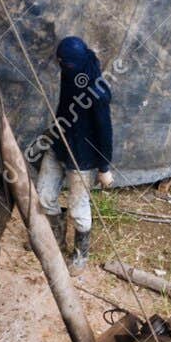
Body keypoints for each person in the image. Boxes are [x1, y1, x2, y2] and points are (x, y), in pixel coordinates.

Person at [36, 35, 113, 270]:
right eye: (60, 62)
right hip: (59, 145)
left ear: (77, 62)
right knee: (44, 196)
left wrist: (104, 168)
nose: (62, 67)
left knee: (78, 209)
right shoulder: (68, 72)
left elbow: (105, 131)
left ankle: (80, 256)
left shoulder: (97, 93)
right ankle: (55, 242)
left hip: (83, 158)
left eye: (65, 63)